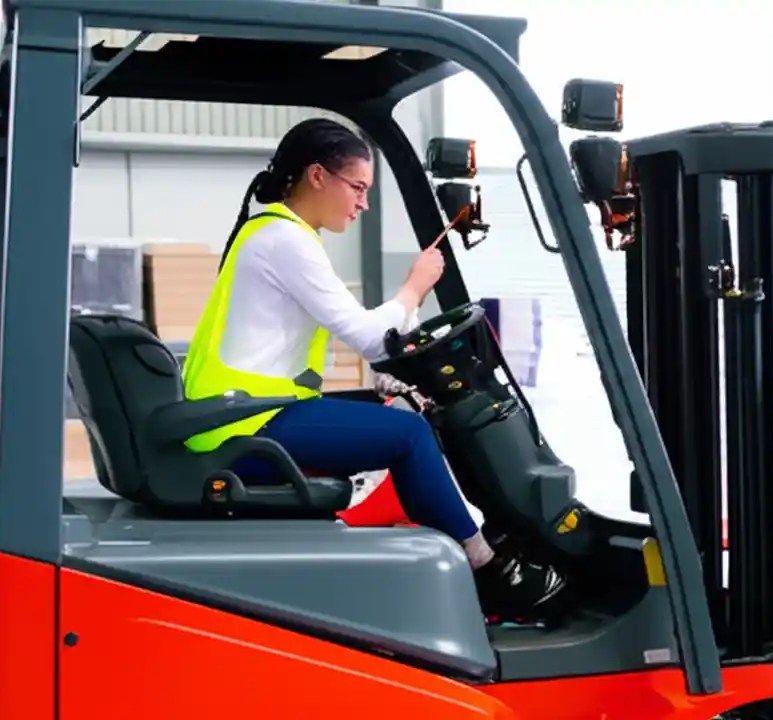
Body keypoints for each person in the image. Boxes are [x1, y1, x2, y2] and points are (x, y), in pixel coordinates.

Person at [180, 117, 567, 622]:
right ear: (318, 176)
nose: (362, 202)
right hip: (246, 427)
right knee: (405, 433)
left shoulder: (272, 234)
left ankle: (474, 542)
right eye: (358, 188)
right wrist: (415, 286)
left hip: (241, 416)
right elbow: (367, 336)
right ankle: (486, 567)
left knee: (393, 412)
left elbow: (375, 338)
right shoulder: (286, 242)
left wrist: (407, 317)